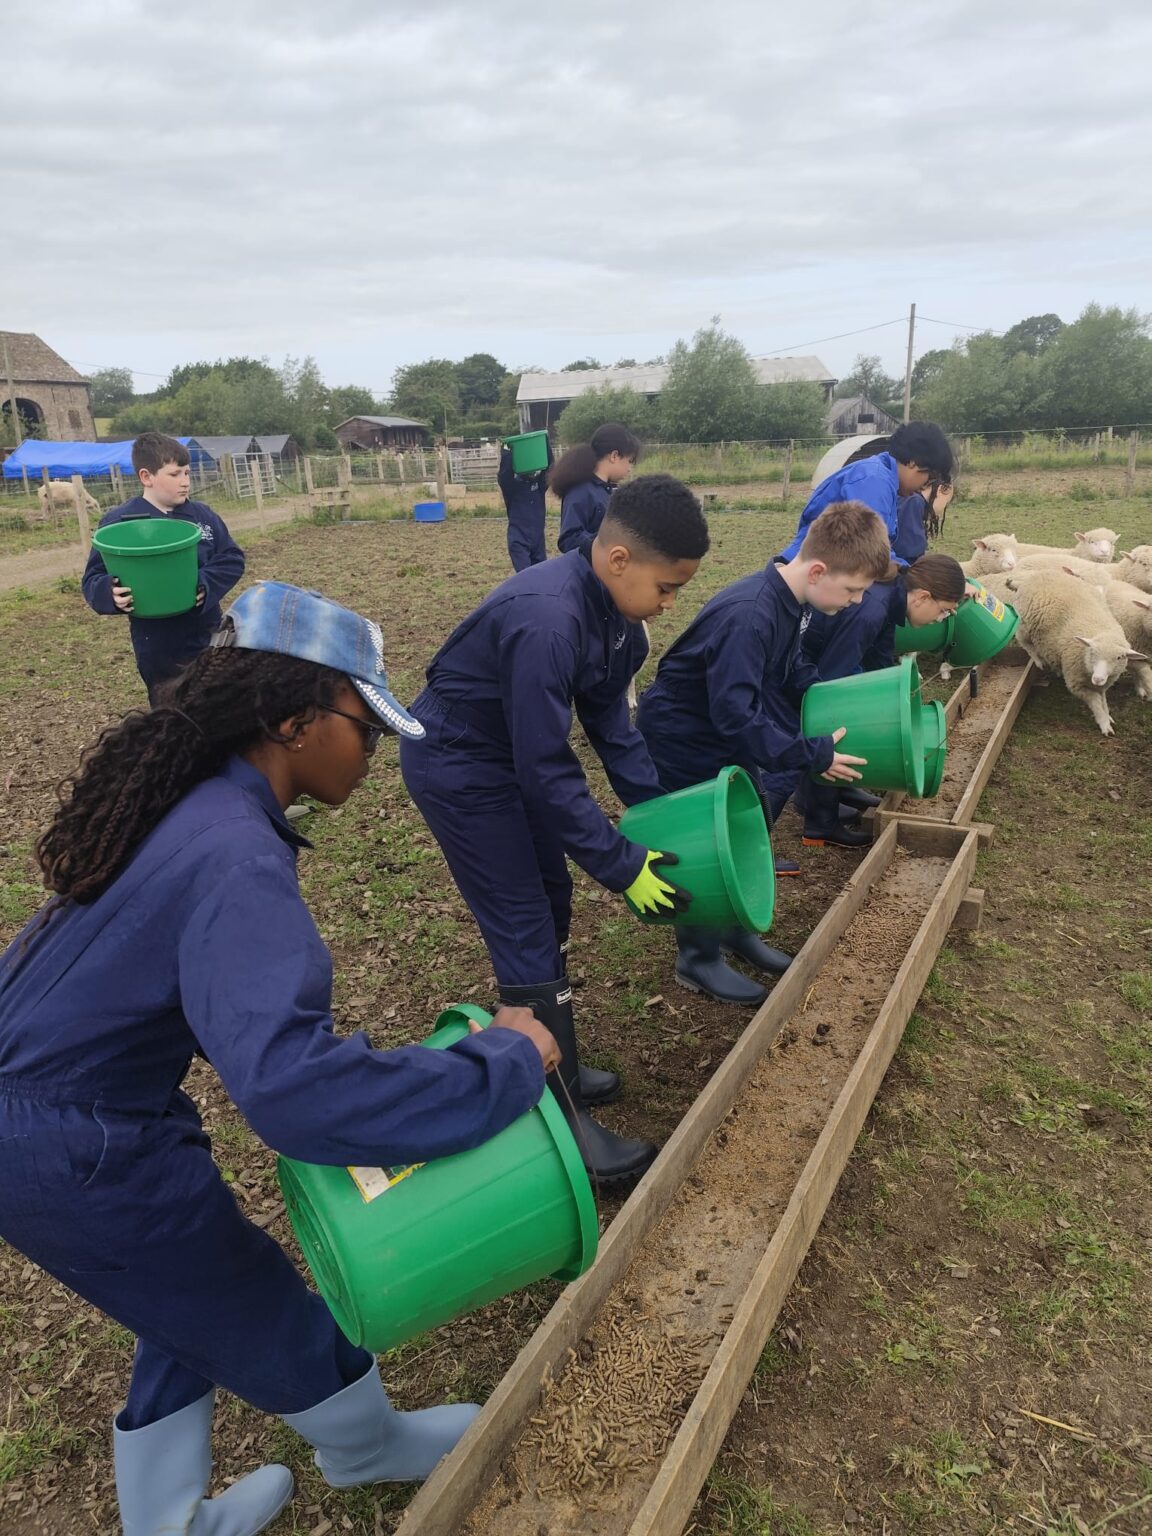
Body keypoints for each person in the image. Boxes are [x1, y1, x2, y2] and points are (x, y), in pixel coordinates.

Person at [0, 582, 561, 1536]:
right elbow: (298, 1092)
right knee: (247, 1297)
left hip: (62, 1112)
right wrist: (504, 1064)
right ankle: (366, 1445)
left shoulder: (191, 798)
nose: (373, 752)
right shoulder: (234, 859)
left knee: (180, 1291)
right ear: (295, 722)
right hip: (70, 1147)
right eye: (364, 725)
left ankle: (170, 1518)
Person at [400, 475, 710, 1184]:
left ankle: (550, 1056)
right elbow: (545, 767)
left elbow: (612, 729)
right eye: (666, 588)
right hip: (459, 763)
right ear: (619, 560)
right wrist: (620, 862)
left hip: (510, 755)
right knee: (522, 921)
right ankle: (558, 1120)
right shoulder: (547, 618)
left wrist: (664, 818)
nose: (668, 606)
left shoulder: (617, 623)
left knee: (549, 899)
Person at [636, 502, 892, 1005]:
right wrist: (806, 754)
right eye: (853, 589)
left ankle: (732, 931)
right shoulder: (751, 615)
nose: (858, 601)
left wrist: (821, 699)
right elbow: (733, 713)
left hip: (722, 729)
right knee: (709, 840)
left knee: (747, 813)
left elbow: (792, 665)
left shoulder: (793, 601)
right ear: (818, 570)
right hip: (684, 735)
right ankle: (698, 956)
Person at [794, 552, 967, 843]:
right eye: (944, 610)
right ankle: (820, 823)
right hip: (803, 663)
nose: (941, 619)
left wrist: (897, 697)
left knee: (849, 711)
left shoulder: (892, 597)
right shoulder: (870, 609)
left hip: (823, 658)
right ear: (923, 597)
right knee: (835, 722)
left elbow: (878, 656)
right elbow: (830, 686)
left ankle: (834, 792)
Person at [82, 432, 246, 703]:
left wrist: (205, 582)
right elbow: (93, 578)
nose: (185, 482)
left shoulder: (202, 516)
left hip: (207, 631)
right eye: (174, 474)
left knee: (220, 703)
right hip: (156, 642)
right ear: (146, 477)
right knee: (170, 706)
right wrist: (108, 593)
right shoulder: (119, 522)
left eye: (187, 473)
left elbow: (231, 557)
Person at [778, 422, 954, 565]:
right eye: (929, 477)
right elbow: (873, 554)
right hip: (813, 570)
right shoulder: (874, 481)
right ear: (913, 463)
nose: (924, 486)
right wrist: (924, 580)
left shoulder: (886, 480)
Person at [552, 422, 640, 554]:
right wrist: (606, 542)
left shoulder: (606, 490)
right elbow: (569, 539)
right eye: (629, 461)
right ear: (614, 456)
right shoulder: (581, 492)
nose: (629, 469)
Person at [498, 435, 553, 571]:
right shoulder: (513, 487)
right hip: (519, 540)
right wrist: (507, 455)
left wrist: (545, 446)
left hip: (538, 539)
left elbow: (550, 469)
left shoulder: (538, 485)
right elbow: (504, 476)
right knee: (525, 576)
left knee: (540, 575)